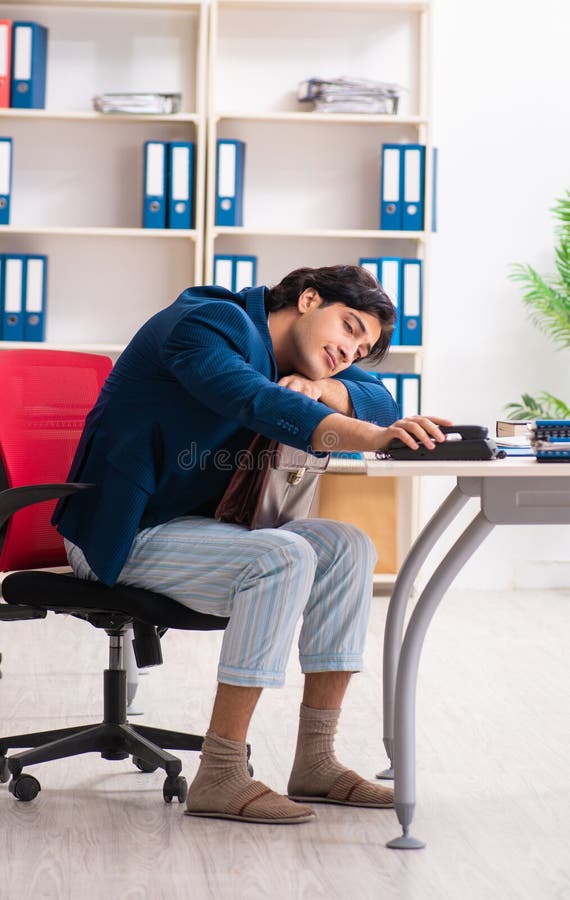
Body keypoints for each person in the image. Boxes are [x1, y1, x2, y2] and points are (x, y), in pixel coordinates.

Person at [53, 264, 450, 825]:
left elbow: (379, 399)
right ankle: (221, 771)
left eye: (362, 348)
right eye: (349, 326)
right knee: (283, 554)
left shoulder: (301, 359)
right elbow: (256, 402)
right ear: (308, 298)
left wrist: (325, 388)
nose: (350, 351)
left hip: (196, 529)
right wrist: (367, 434)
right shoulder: (205, 323)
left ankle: (316, 760)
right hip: (121, 532)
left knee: (348, 546)